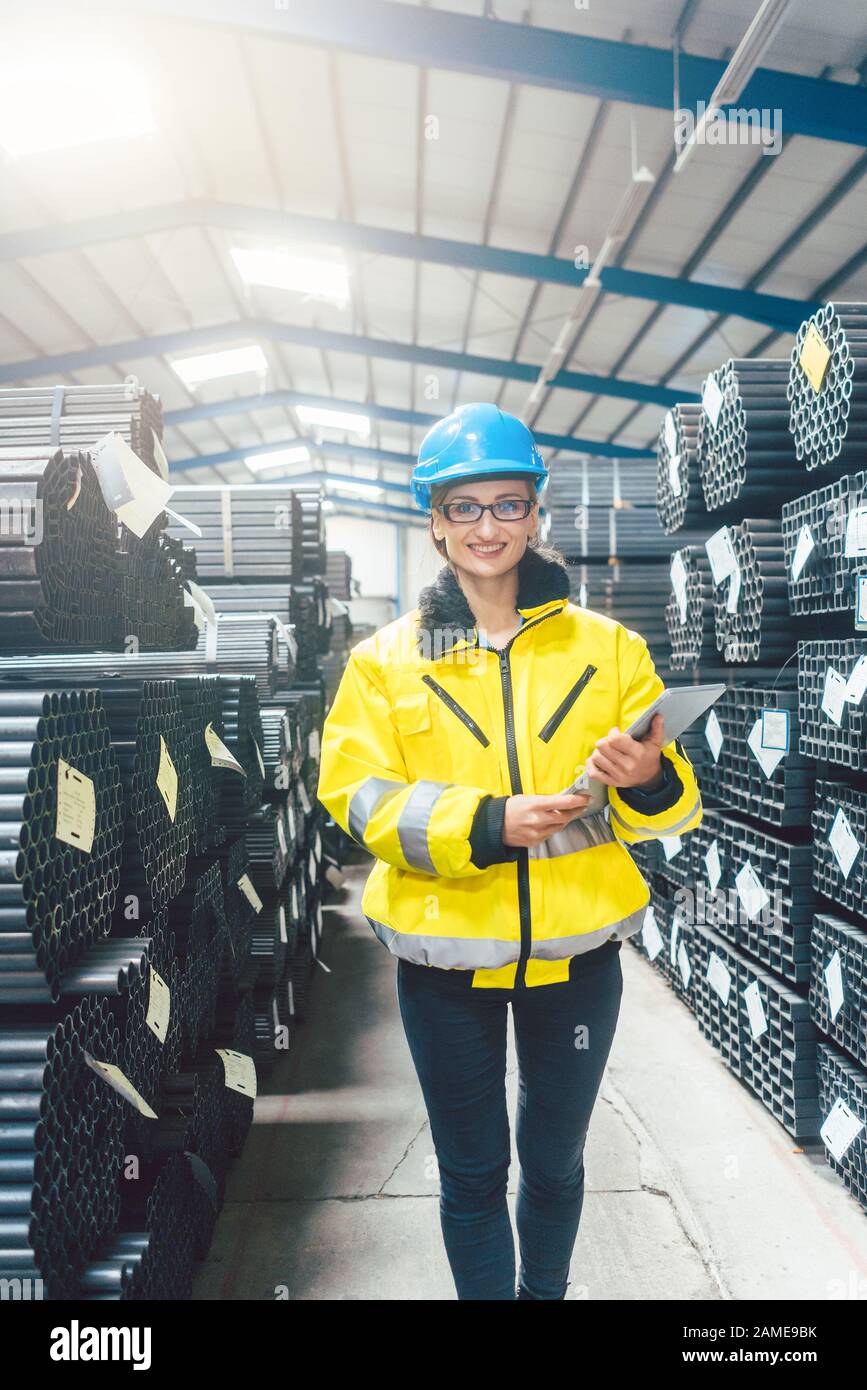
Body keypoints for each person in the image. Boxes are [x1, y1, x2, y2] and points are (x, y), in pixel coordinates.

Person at [316, 402, 703, 1301]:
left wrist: (645, 777)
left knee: (558, 1163)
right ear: (435, 521)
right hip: (444, 962)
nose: (486, 527)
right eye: (464, 507)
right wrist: (484, 826)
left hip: (575, 962)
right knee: (472, 1174)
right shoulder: (385, 662)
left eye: (505, 504)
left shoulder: (608, 649)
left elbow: (671, 806)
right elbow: (355, 799)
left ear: (534, 513)